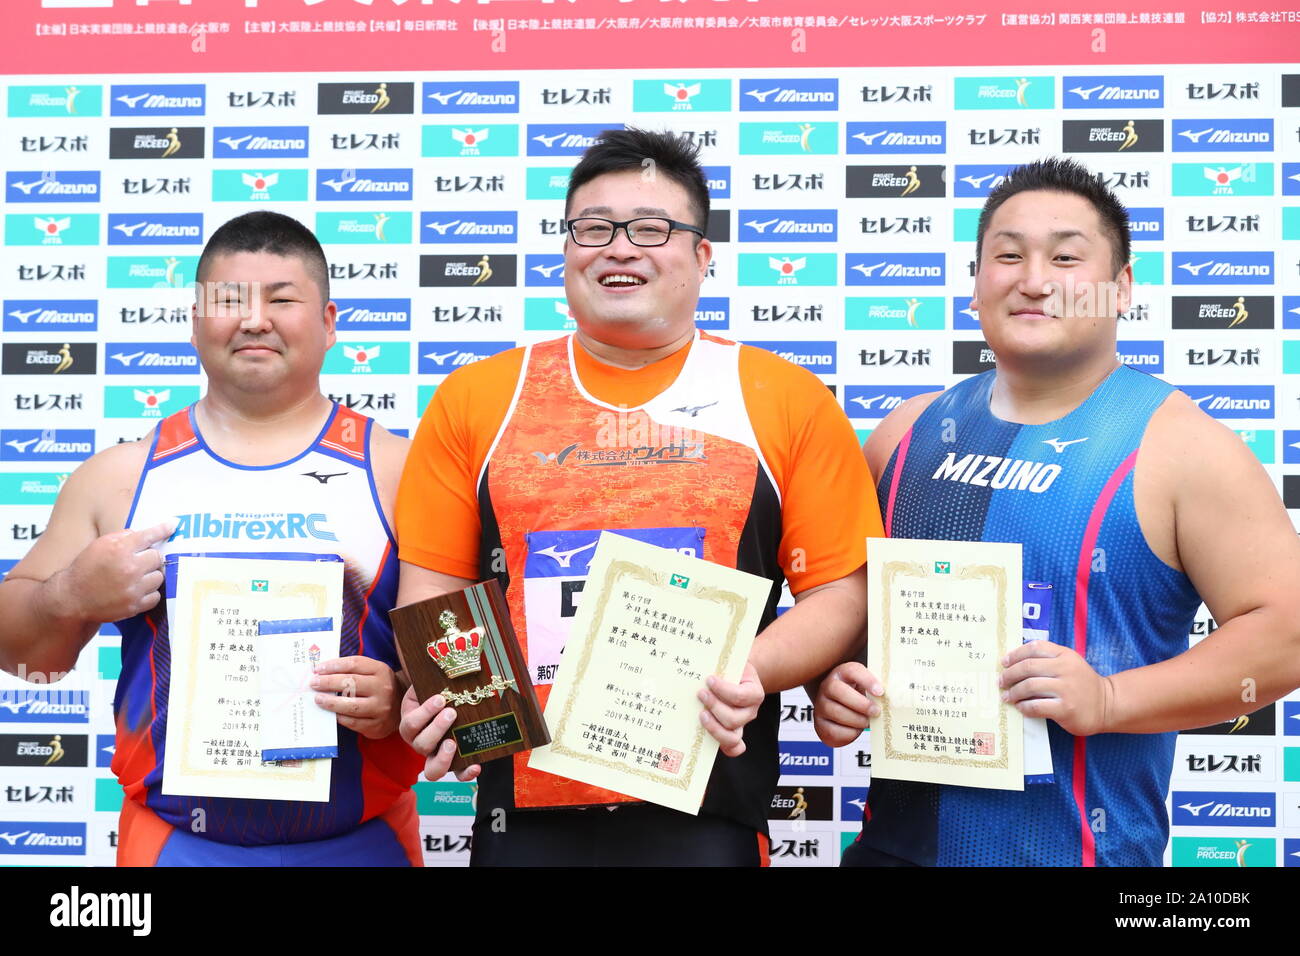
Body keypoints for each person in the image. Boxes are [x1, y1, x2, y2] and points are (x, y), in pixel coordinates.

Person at [395, 128, 880, 865]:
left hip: (708, 803)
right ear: (567, 251)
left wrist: (754, 670)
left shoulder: (784, 399)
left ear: (701, 256)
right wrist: (457, 707)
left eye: (651, 229)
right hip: (522, 819)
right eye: (594, 228)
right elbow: (436, 590)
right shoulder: (475, 399)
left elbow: (842, 594)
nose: (619, 248)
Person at [813, 158, 1300, 866]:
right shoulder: (905, 435)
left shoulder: (1180, 445)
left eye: (1066, 257)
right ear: (977, 281)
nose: (1033, 279)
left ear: (1121, 286)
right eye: (1007, 255)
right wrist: (837, 682)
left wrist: (1107, 699)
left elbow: (1285, 636)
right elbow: (843, 611)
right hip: (894, 850)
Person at [0, 211, 423, 865]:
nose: (255, 320)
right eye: (230, 301)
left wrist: (399, 696)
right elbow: (28, 659)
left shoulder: (405, 473)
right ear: (195, 319)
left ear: (331, 320)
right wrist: (69, 596)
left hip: (364, 842)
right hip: (174, 844)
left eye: (283, 300)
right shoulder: (118, 477)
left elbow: (469, 665)